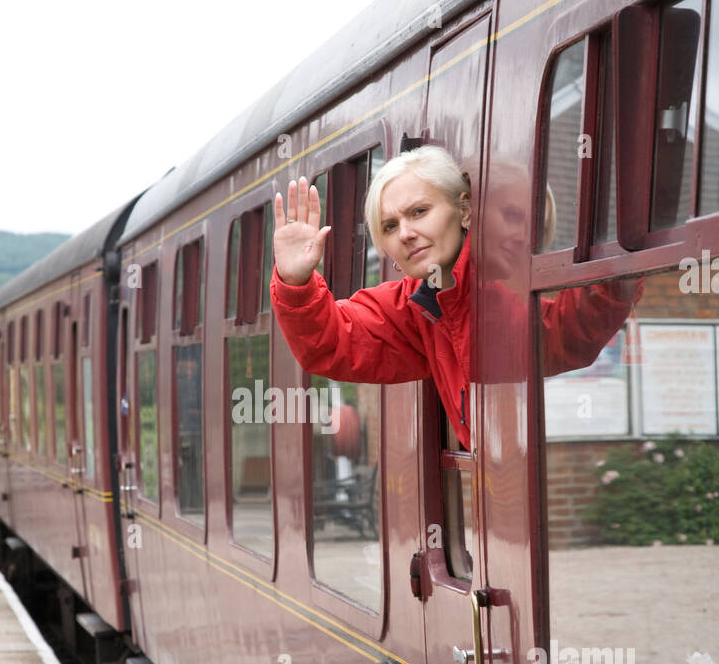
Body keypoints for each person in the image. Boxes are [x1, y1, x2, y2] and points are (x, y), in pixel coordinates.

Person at [269, 146, 641, 448]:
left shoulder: (502, 287)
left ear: (464, 211)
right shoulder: (416, 304)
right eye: (390, 226)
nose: (406, 233)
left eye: (420, 212)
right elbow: (332, 342)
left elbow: (570, 330)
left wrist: (631, 245)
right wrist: (294, 280)